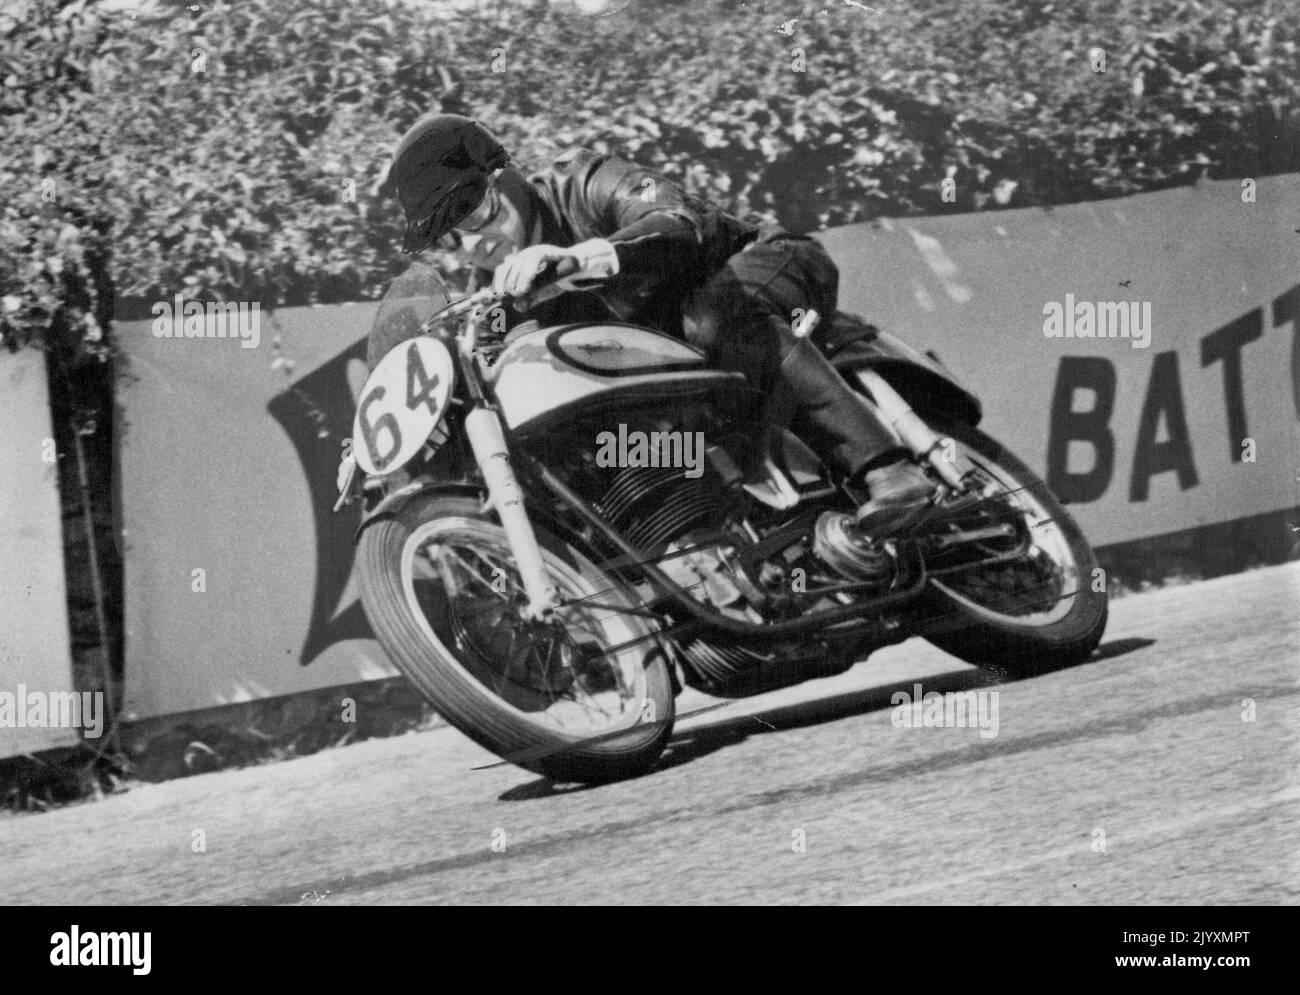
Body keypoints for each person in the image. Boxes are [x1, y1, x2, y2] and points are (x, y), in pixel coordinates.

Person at [375, 113, 933, 533]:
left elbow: (677, 219)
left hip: (761, 268)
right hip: (693, 366)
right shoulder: (496, 297)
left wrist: (576, 259)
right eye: (452, 236)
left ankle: (885, 469)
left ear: (508, 175)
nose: (477, 242)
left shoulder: (585, 183)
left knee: (711, 318)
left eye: (475, 212)